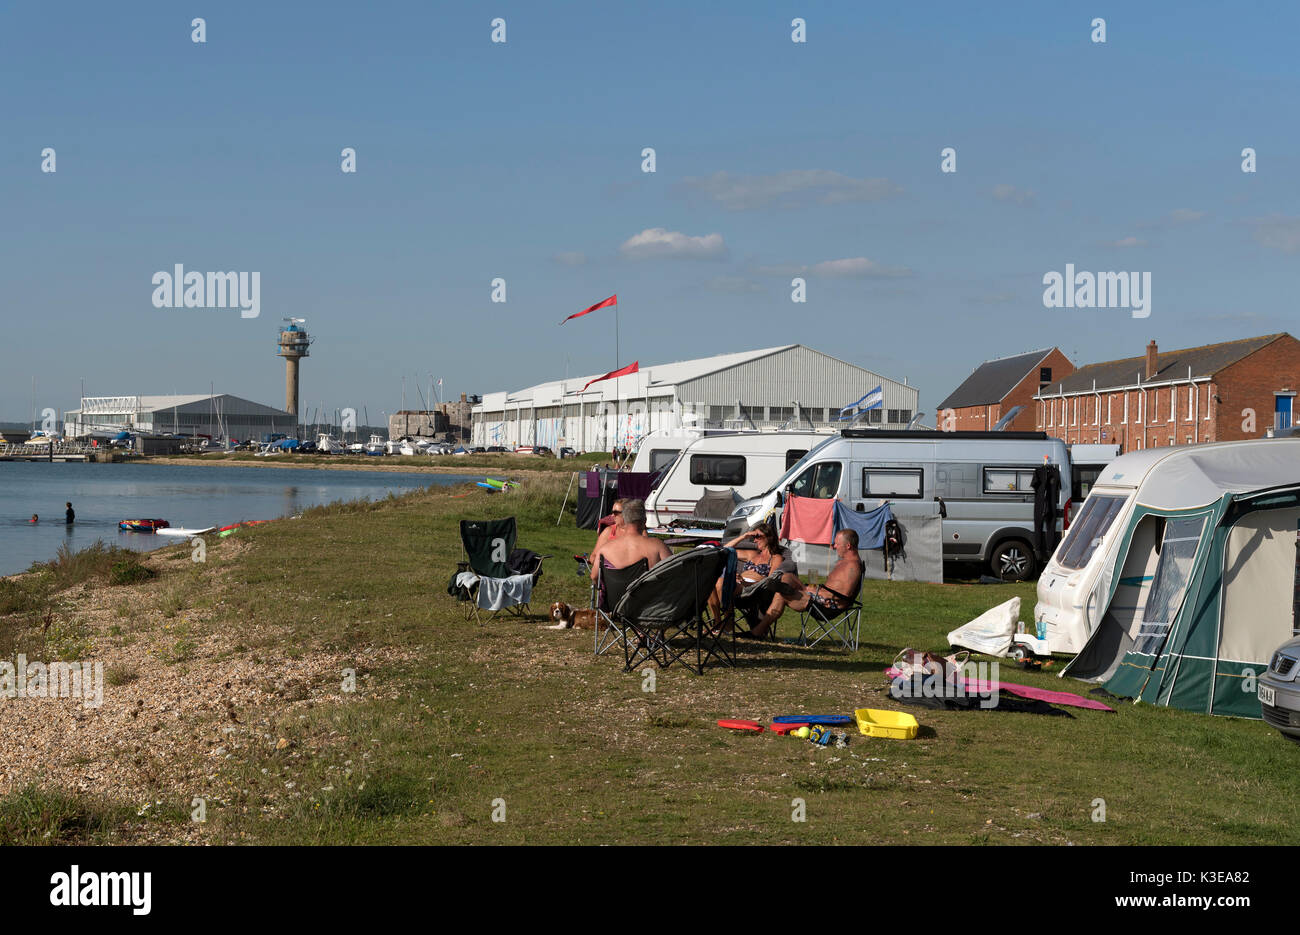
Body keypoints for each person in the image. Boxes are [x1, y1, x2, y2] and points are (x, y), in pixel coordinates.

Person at [747, 528, 863, 639]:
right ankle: (782, 587)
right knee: (788, 576)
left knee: (780, 594)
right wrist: (813, 589)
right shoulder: (844, 562)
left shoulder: (853, 566)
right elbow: (834, 586)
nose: (834, 546)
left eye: (837, 544)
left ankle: (758, 630)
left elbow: (844, 595)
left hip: (828, 606)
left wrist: (817, 592)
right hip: (819, 596)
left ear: (848, 546)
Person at [711, 521, 787, 628]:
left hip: (753, 588)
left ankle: (727, 623)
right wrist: (743, 536)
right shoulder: (752, 554)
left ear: (769, 537)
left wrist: (746, 582)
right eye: (754, 537)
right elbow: (724, 550)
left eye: (758, 536)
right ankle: (718, 621)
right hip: (738, 583)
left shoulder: (776, 558)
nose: (755, 540)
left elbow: (770, 581)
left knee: (721, 582)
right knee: (713, 583)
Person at [589, 499, 669, 580]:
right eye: (612, 512)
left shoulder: (604, 549)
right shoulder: (656, 545)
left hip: (613, 590)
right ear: (644, 520)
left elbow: (594, 576)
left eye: (616, 513)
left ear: (626, 515)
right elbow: (673, 570)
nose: (612, 515)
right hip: (642, 589)